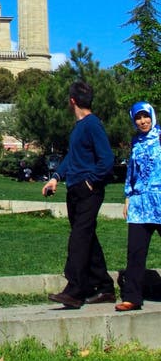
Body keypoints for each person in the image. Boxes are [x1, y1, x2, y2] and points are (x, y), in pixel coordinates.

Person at [42, 80, 116, 309]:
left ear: (72, 101)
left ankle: (75, 290)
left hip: (88, 191)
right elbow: (71, 157)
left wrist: (91, 182)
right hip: (74, 188)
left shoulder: (93, 125)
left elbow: (107, 160)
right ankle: (104, 288)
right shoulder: (79, 127)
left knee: (78, 239)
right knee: (87, 238)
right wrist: (56, 177)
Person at [115, 101, 161, 312]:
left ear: (152, 115)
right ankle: (132, 297)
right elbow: (131, 172)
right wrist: (127, 197)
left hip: (159, 201)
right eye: (138, 118)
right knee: (135, 251)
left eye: (146, 116)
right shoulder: (136, 142)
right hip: (140, 204)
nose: (143, 121)